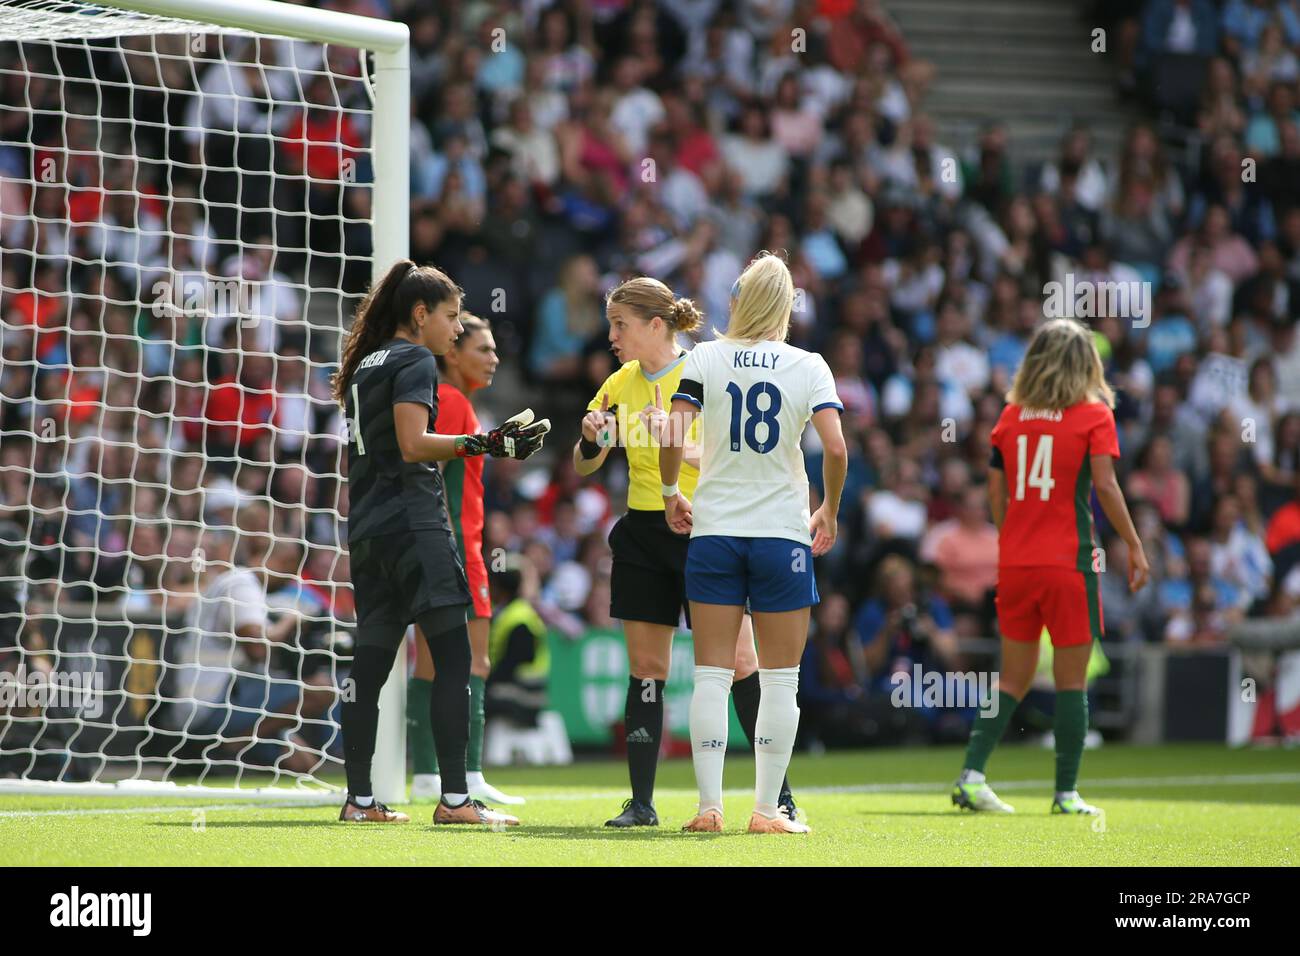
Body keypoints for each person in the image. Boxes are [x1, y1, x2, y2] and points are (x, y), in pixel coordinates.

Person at [573, 275, 802, 828]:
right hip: (642, 534)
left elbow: (733, 454)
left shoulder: (706, 370)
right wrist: (591, 438)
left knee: (743, 663)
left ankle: (779, 798)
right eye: (611, 325)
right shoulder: (617, 384)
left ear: (656, 325)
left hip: (706, 528)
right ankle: (643, 803)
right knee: (646, 668)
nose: (612, 336)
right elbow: (584, 465)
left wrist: (676, 442)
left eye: (620, 325)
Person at [332, 259, 547, 826]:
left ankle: (358, 799)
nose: (456, 329)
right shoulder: (414, 360)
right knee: (457, 660)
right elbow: (411, 443)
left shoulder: (364, 366)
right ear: (420, 314)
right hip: (416, 528)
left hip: (369, 531)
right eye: (451, 317)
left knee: (371, 667)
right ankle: (455, 800)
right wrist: (487, 445)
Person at [660, 252, 847, 834]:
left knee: (712, 675)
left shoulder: (705, 357)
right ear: (787, 305)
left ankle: (708, 808)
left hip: (715, 532)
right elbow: (836, 449)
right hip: (781, 536)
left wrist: (670, 491)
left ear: (738, 299)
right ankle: (767, 811)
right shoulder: (809, 364)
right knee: (779, 680)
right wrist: (829, 511)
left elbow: (672, 427)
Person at [951, 318, 1149, 816]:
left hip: (1017, 562)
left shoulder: (1012, 414)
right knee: (1071, 682)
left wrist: (1012, 534)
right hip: (1069, 562)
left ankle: (971, 776)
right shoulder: (1093, 415)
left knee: (1012, 679)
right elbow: (1104, 486)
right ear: (1085, 364)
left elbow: (995, 490)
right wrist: (1134, 543)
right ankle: (1065, 794)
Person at [408, 313, 523, 806]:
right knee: (474, 661)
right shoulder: (452, 401)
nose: (493, 359)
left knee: (432, 665)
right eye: (483, 349)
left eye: (495, 350)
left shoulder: (453, 401)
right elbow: (434, 477)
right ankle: (469, 773)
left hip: (449, 543)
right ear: (451, 353)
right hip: (456, 546)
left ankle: (427, 773)